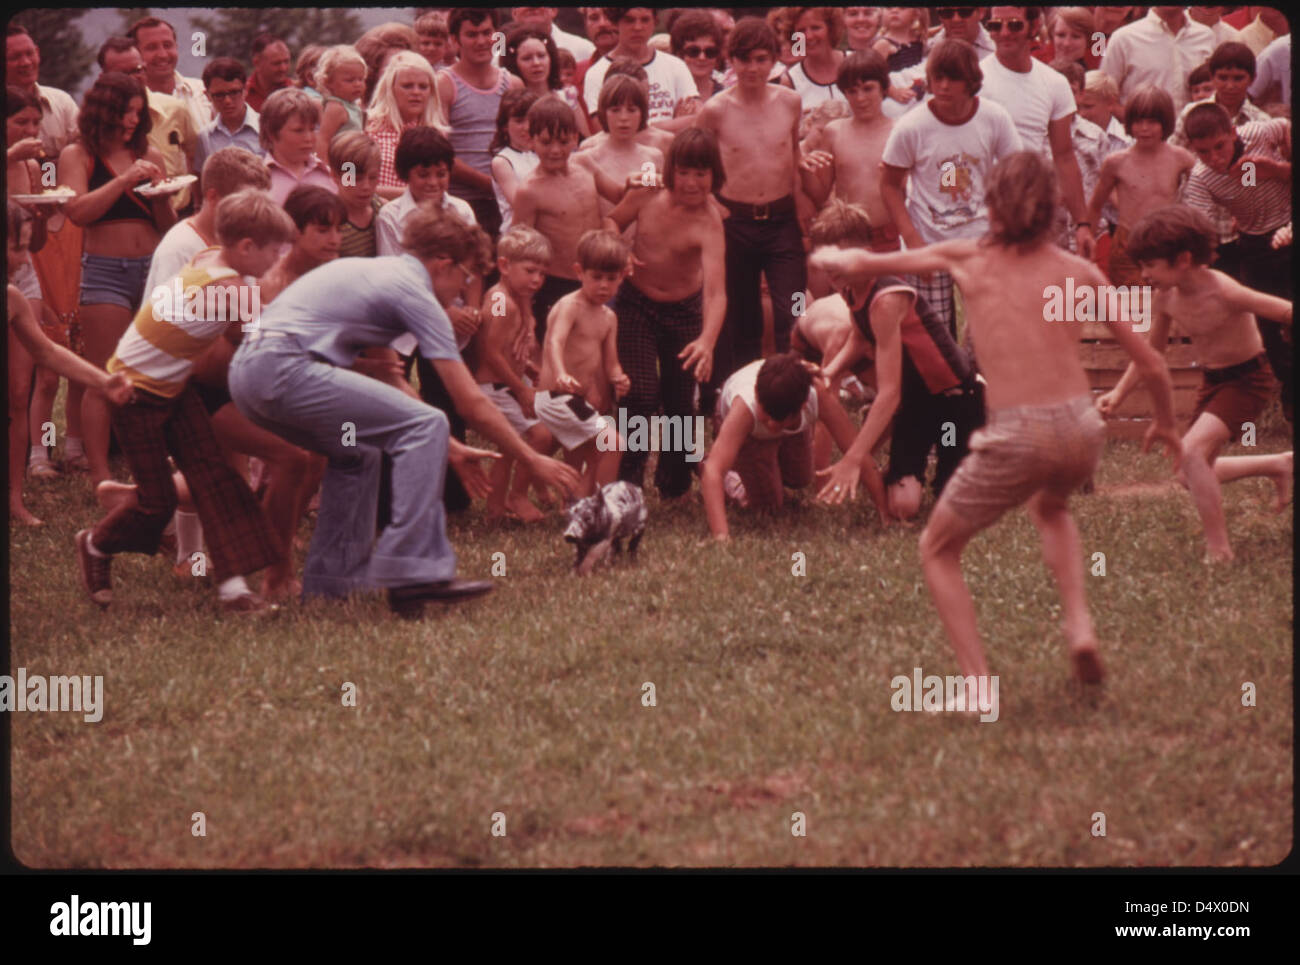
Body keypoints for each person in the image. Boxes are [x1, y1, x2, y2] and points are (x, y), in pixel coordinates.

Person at [818, 152, 1180, 695]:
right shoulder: (1079, 271)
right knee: (1053, 506)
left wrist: (842, 259)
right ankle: (1079, 624)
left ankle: (978, 684)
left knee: (938, 550)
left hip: (1019, 431)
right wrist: (1168, 425)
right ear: (1054, 211)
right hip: (1081, 429)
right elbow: (1151, 362)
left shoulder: (971, 258)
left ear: (990, 207)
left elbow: (894, 262)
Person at [227, 203, 580, 611]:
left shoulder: (383, 275)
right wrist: (529, 458)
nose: (463, 291)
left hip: (250, 375)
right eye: (464, 278)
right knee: (429, 420)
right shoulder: (413, 290)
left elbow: (390, 379)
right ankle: (413, 573)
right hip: (279, 370)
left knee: (357, 451)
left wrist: (448, 445)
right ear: (442, 263)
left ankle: (332, 586)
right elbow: (468, 401)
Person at [78, 189, 294, 613]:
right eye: (273, 250)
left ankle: (233, 590)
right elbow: (272, 337)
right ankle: (96, 544)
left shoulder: (210, 256)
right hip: (135, 394)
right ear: (246, 247)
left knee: (216, 479)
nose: (277, 259)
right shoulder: (230, 288)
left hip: (175, 389)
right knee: (157, 502)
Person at [1097, 205, 1292, 561]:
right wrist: (1118, 394)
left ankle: (1219, 550)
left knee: (1191, 454)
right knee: (1189, 473)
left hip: (1249, 378)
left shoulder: (1224, 290)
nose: (1143, 275)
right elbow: (1149, 356)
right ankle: (1281, 464)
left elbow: (1283, 310)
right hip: (1214, 381)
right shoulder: (1166, 299)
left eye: (1150, 265)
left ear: (1183, 259)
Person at [809, 200, 987, 520]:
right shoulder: (851, 288)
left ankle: (982, 453)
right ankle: (904, 466)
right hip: (918, 402)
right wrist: (830, 371)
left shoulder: (886, 299)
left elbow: (889, 393)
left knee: (955, 507)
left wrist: (853, 459)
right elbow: (860, 336)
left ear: (864, 252)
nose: (830, 269)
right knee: (903, 508)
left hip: (957, 399)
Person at [59, 71, 176, 488]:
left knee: (155, 371)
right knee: (103, 374)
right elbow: (78, 212)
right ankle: (100, 474)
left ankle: (157, 460)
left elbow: (166, 226)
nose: (131, 121)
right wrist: (125, 180)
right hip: (105, 270)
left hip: (151, 267)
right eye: (125, 112)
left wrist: (162, 196)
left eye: (138, 113)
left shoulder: (150, 154)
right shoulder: (78, 155)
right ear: (104, 110)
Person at [600, 128, 725, 500]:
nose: (691, 183)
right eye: (684, 173)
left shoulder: (710, 221)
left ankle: (674, 478)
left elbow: (717, 293)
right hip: (636, 303)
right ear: (670, 171)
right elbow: (612, 222)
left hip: (685, 311)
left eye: (701, 174)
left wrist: (707, 341)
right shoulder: (646, 193)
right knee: (639, 392)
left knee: (680, 399)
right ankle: (630, 472)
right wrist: (618, 249)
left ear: (714, 177)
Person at [878, 39, 1022, 339]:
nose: (943, 86)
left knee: (989, 330)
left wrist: (1004, 225)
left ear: (971, 81)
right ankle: (946, 387)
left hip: (981, 241)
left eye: (953, 78)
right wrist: (913, 241)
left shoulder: (994, 117)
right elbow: (890, 186)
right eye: (937, 77)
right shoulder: (911, 126)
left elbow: (1015, 173)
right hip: (928, 240)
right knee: (934, 336)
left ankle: (985, 384)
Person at [694, 18, 805, 388]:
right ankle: (738, 395)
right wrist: (712, 209)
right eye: (744, 60)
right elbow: (697, 163)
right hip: (734, 221)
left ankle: (795, 390)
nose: (753, 68)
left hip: (781, 219)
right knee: (742, 319)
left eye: (761, 59)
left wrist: (803, 216)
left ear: (774, 59)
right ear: (730, 61)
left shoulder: (790, 102)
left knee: (794, 308)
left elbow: (793, 157)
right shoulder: (716, 110)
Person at [8, 202, 133, 524]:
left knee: (20, 393)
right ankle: (41, 452)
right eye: (16, 249)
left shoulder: (12, 298)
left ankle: (14, 499)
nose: (24, 260)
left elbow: (48, 352)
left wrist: (105, 381)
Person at [1181, 102, 1292, 421]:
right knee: (1268, 328)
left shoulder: (1261, 131)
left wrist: (1277, 169)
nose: (1215, 157)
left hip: (1289, 222)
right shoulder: (1201, 179)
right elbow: (1199, 230)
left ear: (1233, 132)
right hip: (1256, 242)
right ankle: (1291, 397)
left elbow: (1286, 128)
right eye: (1204, 152)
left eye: (1220, 146)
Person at [702, 352, 888, 539]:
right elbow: (714, 471)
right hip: (750, 436)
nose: (769, 423)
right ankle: (725, 474)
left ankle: (769, 466)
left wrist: (884, 512)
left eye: (777, 419)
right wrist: (721, 536)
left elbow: (857, 452)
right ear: (757, 394)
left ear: (802, 406)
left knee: (801, 478)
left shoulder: (818, 396)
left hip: (791, 425)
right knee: (769, 506)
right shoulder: (745, 407)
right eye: (764, 414)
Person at [978, 7, 1095, 260]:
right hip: (978, 214)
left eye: (1014, 25)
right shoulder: (974, 79)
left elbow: (1064, 156)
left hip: (1030, 213)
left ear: (1033, 27)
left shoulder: (1055, 83)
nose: (1004, 33)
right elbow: (950, 152)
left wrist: (1082, 224)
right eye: (996, 26)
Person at [533, 228, 630, 497]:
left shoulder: (609, 317)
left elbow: (611, 363)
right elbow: (554, 342)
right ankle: (603, 507)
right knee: (613, 443)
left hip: (577, 401)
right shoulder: (570, 306)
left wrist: (618, 378)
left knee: (591, 454)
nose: (603, 285)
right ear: (579, 272)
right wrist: (561, 372)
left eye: (611, 279)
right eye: (596, 277)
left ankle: (577, 503)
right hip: (556, 396)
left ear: (622, 277)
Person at [471, 225, 556, 521]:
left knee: (509, 447)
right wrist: (520, 390)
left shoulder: (516, 297)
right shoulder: (499, 302)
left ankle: (495, 510)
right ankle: (517, 496)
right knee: (540, 435)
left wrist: (528, 368)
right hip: (493, 388)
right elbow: (490, 352)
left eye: (542, 274)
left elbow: (506, 349)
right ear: (505, 266)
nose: (536, 280)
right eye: (530, 271)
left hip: (506, 384)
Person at [513, 95, 607, 342]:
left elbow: (621, 191)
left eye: (563, 141)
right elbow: (518, 255)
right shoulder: (530, 191)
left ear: (576, 138)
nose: (555, 150)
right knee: (558, 358)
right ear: (531, 140)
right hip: (556, 286)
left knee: (595, 353)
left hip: (595, 278)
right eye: (546, 142)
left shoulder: (585, 164)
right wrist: (526, 314)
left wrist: (649, 180)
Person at [1084, 86, 1195, 287]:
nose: (1144, 128)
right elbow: (1095, 205)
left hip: (1166, 243)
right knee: (1134, 309)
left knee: (1166, 306)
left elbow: (1208, 187)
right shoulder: (1116, 162)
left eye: (1152, 122)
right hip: (1127, 245)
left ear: (1166, 122)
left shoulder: (1181, 158)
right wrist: (1087, 241)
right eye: (1138, 121)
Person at [799, 51, 897, 250]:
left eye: (868, 89)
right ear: (844, 93)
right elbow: (820, 195)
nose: (860, 98)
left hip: (891, 235)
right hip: (848, 238)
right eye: (852, 91)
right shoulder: (834, 132)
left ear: (884, 89)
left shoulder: (900, 131)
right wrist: (802, 166)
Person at [438, 9, 522, 238]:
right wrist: (493, 184)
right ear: (455, 40)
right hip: (463, 202)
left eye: (487, 33)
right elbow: (440, 154)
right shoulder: (444, 84)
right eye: (472, 35)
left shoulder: (512, 84)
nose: (482, 41)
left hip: (509, 200)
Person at [98, 37, 198, 212]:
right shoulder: (94, 121)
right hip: (125, 219)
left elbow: (195, 156)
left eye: (137, 70)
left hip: (178, 215)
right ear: (103, 77)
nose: (132, 79)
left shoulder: (175, 109)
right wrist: (49, 179)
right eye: (122, 74)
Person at [583, 7, 698, 129]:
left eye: (645, 20)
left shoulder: (675, 66)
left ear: (655, 21)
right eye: (629, 20)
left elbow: (697, 119)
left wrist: (638, 131)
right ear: (616, 23)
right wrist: (672, 125)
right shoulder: (597, 73)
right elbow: (604, 132)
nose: (638, 27)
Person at [1100, 6, 1216, 115]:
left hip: (1194, 133)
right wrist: (1138, 122)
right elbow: (1103, 97)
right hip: (1138, 134)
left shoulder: (1206, 37)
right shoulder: (1124, 39)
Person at [366, 50, 446, 202]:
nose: (416, 92)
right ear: (391, 88)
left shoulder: (436, 134)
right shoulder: (367, 126)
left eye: (423, 87)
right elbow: (348, 183)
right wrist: (411, 193)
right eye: (407, 86)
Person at [505, 24, 590, 140]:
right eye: (527, 58)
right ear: (514, 63)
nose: (536, 63)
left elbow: (585, 140)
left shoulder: (567, 96)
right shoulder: (511, 102)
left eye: (541, 56)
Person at [129, 16, 211, 131]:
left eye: (167, 45)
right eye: (151, 48)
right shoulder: (129, 103)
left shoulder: (205, 92)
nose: (162, 55)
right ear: (135, 54)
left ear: (176, 47)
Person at [259, 88, 336, 205]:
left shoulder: (329, 175)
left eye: (312, 129)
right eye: (298, 130)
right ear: (272, 133)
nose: (309, 138)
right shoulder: (259, 181)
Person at [193, 59, 264, 175]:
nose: (227, 101)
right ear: (207, 96)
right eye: (219, 95)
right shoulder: (205, 137)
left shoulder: (266, 129)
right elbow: (202, 180)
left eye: (234, 92)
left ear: (246, 90)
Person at [777, 7, 850, 112]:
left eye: (816, 28)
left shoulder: (856, 62)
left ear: (831, 29)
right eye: (801, 30)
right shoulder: (790, 81)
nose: (809, 36)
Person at [490, 88, 541, 234]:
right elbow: (520, 204)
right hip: (518, 238)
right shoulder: (502, 161)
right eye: (519, 121)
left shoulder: (542, 155)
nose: (527, 127)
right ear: (505, 126)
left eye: (532, 119)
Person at [329, 131, 384, 257]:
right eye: (356, 179)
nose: (366, 186)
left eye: (373, 177)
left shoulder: (381, 210)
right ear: (335, 176)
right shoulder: (331, 223)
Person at [314, 45, 368, 160]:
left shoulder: (352, 105)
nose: (357, 84)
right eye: (350, 80)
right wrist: (326, 169)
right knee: (348, 179)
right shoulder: (336, 108)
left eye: (361, 79)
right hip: (342, 162)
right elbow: (323, 139)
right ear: (329, 82)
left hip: (352, 159)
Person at [670, 10, 726, 101]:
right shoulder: (667, 95)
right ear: (679, 53)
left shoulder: (726, 98)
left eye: (710, 52)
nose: (702, 58)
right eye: (693, 51)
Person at [247, 33, 292, 112]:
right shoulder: (241, 94)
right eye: (276, 63)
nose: (283, 68)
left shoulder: (295, 94)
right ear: (256, 63)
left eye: (286, 62)